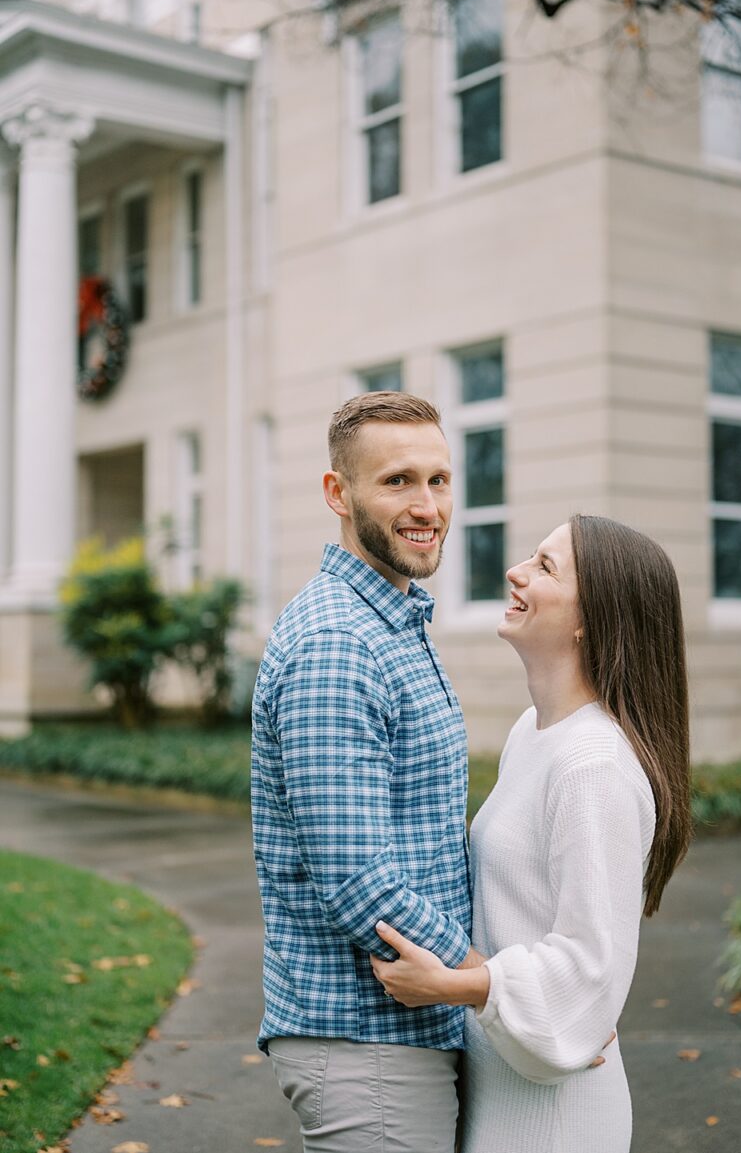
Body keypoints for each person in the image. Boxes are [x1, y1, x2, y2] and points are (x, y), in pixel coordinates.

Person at [370, 514, 694, 1153]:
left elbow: (589, 966)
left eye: (545, 567)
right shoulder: (534, 733)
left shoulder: (592, 765)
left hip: (555, 1117)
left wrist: (451, 984)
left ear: (589, 620)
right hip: (500, 1084)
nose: (516, 572)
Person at [250, 391, 481, 1151]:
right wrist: (492, 981)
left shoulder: (393, 620)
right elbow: (362, 884)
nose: (427, 506)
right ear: (337, 493)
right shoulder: (338, 645)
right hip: (366, 1042)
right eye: (398, 481)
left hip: (398, 1036)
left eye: (439, 479)